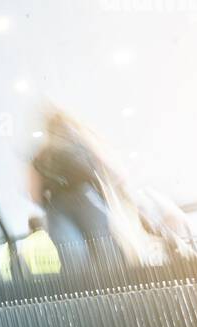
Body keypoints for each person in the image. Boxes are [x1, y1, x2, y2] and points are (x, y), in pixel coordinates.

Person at [28, 108, 129, 269]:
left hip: (60, 203)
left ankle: (91, 286)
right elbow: (111, 170)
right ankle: (113, 283)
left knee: (73, 252)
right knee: (104, 249)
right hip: (84, 197)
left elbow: (34, 193)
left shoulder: (42, 155)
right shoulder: (81, 146)